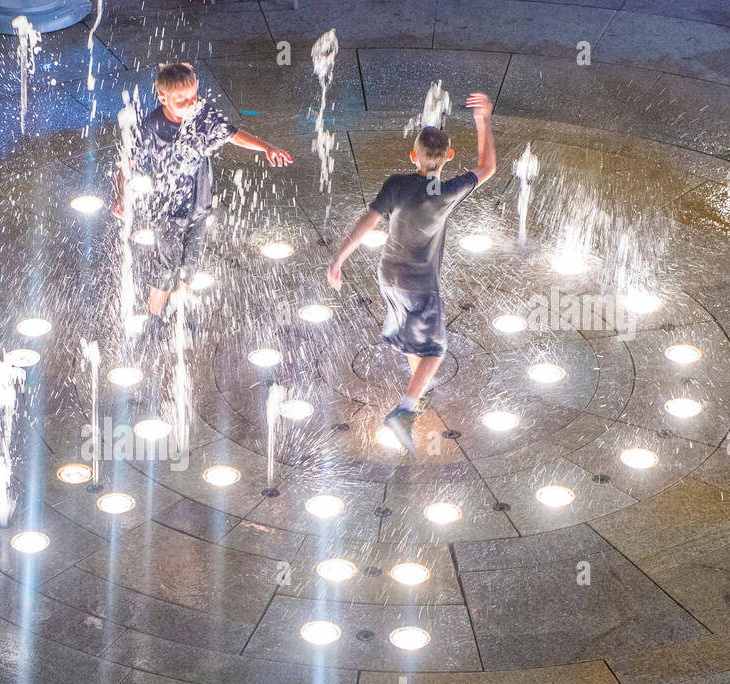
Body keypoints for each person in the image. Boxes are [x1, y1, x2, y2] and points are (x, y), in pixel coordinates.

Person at [327, 92, 497, 452]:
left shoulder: (396, 184)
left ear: (412, 156)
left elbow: (366, 224)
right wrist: (483, 120)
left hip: (388, 275)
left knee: (408, 334)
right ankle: (404, 410)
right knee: (435, 348)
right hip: (420, 283)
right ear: (449, 157)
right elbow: (487, 167)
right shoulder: (448, 190)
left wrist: (338, 259)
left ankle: (415, 394)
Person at [113, 61, 293, 334]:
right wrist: (118, 196)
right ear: (163, 98)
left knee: (188, 267)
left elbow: (231, 134)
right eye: (181, 99)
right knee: (167, 265)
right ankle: (153, 318)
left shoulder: (201, 113)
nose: (190, 103)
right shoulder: (151, 126)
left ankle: (180, 311)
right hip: (167, 208)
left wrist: (266, 147)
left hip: (199, 205)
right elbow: (126, 163)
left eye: (194, 96)